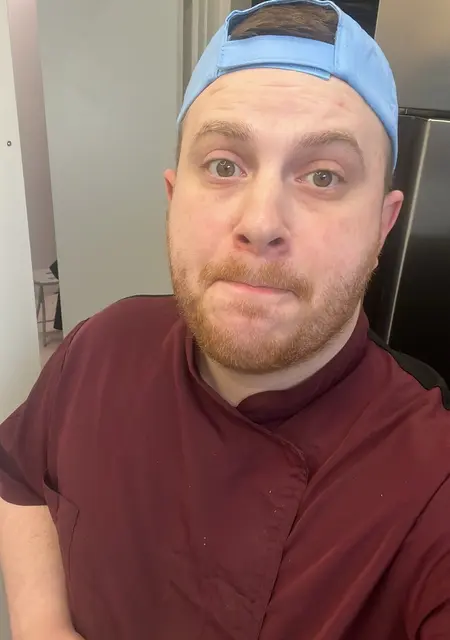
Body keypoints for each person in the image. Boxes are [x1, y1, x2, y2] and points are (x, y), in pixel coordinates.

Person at [1, 0, 449, 638]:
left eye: (323, 176)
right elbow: (18, 473)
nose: (261, 223)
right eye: (223, 166)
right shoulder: (101, 345)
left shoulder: (431, 486)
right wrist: (42, 626)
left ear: (382, 226)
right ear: (173, 198)